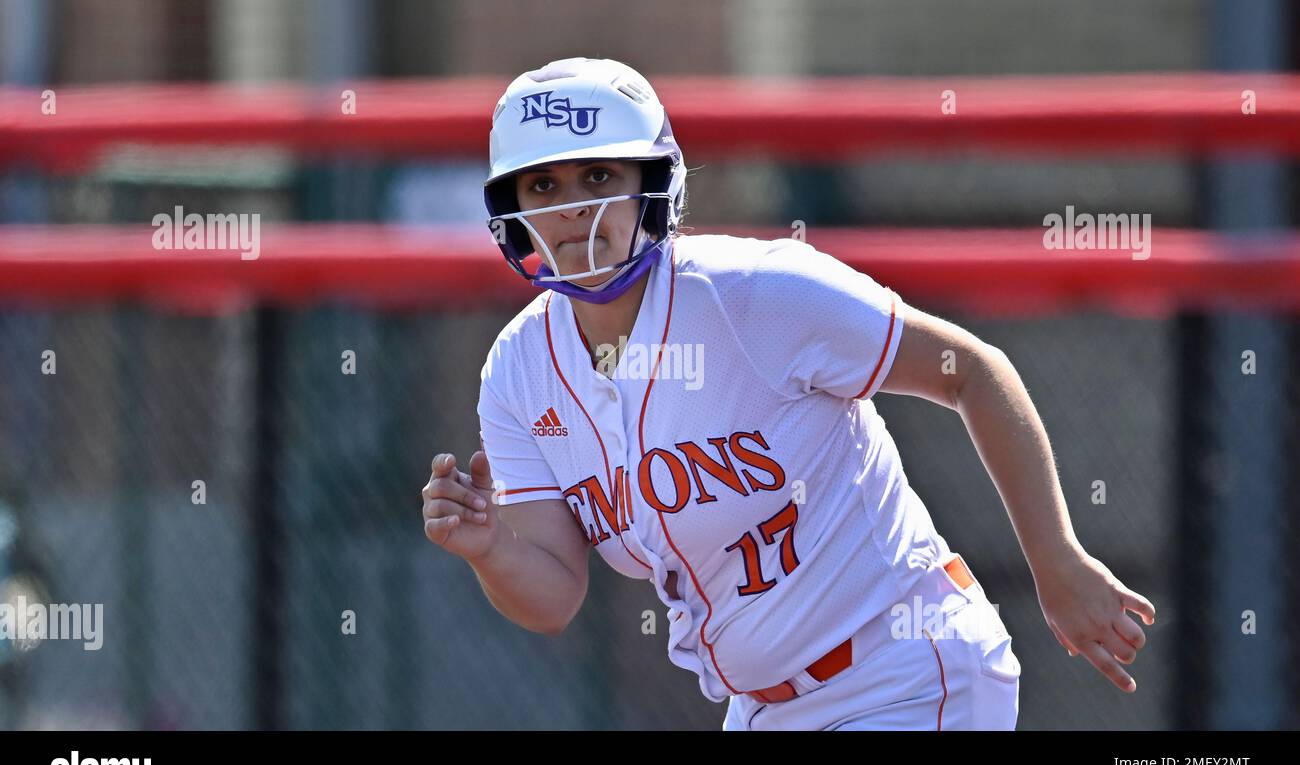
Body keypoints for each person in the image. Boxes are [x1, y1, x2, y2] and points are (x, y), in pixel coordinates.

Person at [422, 57, 1156, 730]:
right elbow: (553, 597)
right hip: (764, 710)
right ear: (508, 208)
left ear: (655, 184)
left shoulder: (757, 294)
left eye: (598, 177)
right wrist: (489, 548)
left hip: (902, 674)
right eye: (544, 185)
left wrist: (1057, 559)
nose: (575, 209)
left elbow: (972, 369)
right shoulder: (518, 371)